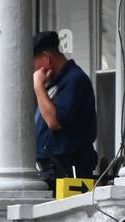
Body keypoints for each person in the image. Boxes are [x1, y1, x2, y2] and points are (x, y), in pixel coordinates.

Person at [32, 30, 98, 190]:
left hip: (68, 171)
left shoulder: (74, 80)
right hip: (50, 171)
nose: (33, 71)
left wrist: (38, 85)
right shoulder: (55, 82)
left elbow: (54, 121)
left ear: (46, 58)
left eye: (34, 64)